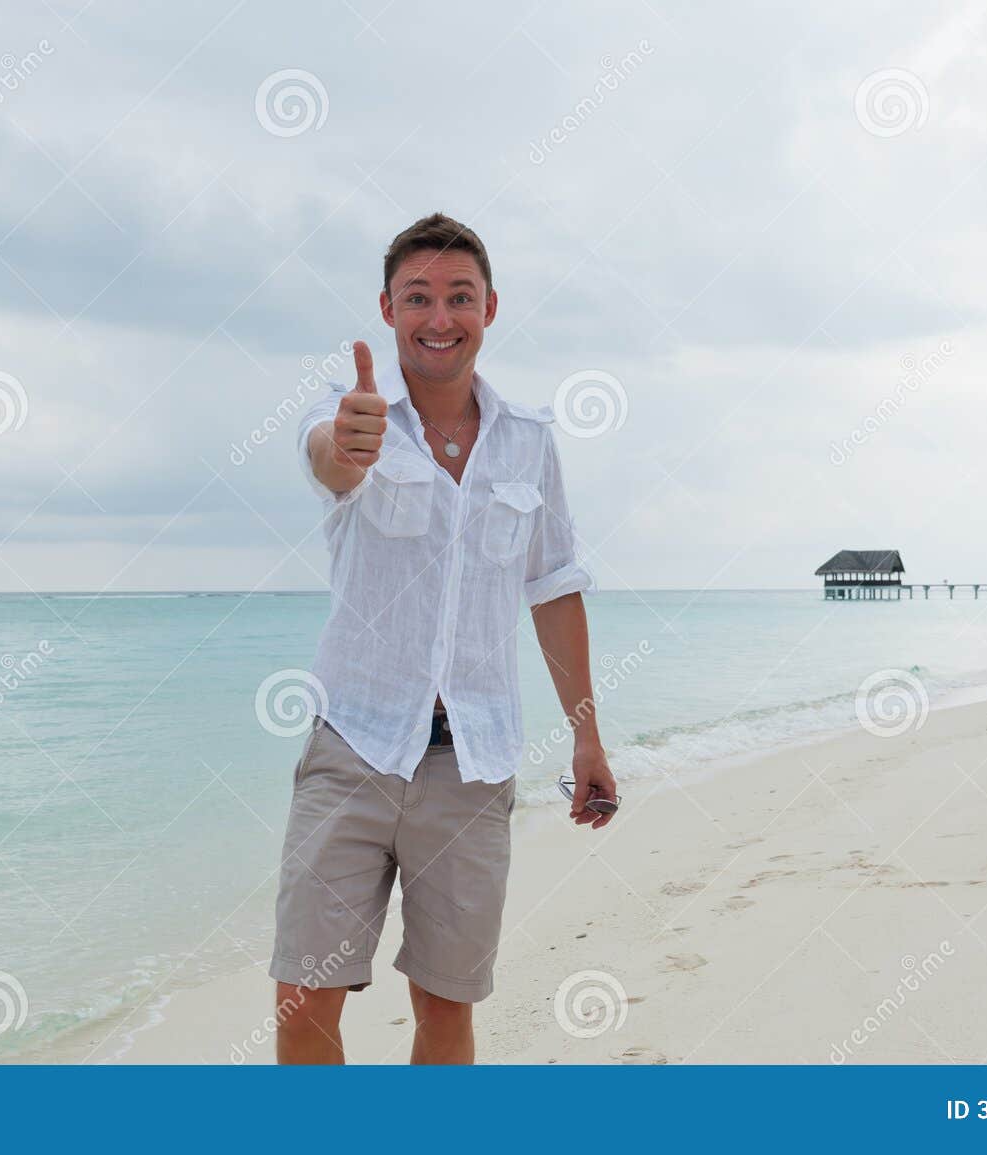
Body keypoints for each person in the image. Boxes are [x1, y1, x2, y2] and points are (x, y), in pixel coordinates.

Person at [270, 212, 616, 1064]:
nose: (439, 317)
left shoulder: (529, 441)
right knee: (303, 1006)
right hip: (352, 747)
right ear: (387, 309)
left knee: (447, 1008)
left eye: (460, 296)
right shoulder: (350, 411)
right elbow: (328, 457)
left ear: (489, 308)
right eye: (417, 297)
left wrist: (587, 738)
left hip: (473, 764)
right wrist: (346, 443)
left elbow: (553, 587)